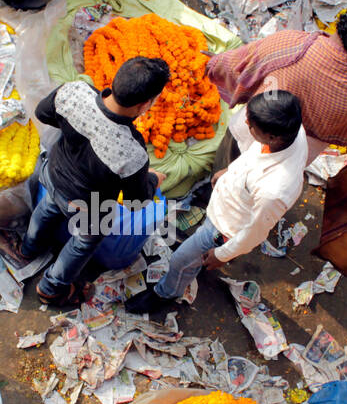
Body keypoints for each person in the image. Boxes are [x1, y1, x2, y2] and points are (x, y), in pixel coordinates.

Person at [126, 91, 307, 319]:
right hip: (226, 205)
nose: (246, 124)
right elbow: (253, 153)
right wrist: (229, 171)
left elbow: (255, 232)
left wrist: (222, 254)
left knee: (180, 260)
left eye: (251, 125)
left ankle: (166, 293)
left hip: (224, 228)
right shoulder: (292, 130)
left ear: (272, 137)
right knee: (192, 251)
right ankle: (194, 262)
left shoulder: (275, 190)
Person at [21, 56, 170, 308]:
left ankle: (28, 247)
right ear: (144, 105)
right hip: (86, 206)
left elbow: (43, 113)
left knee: (48, 206)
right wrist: (152, 179)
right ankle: (51, 288)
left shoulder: (74, 92)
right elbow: (135, 202)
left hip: (53, 173)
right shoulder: (132, 151)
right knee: (84, 241)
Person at [207, 0, 347, 164]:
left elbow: (237, 65)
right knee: (248, 198)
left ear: (341, 18)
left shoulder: (289, 44)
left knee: (224, 174)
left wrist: (213, 64)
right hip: (288, 163)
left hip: (249, 135)